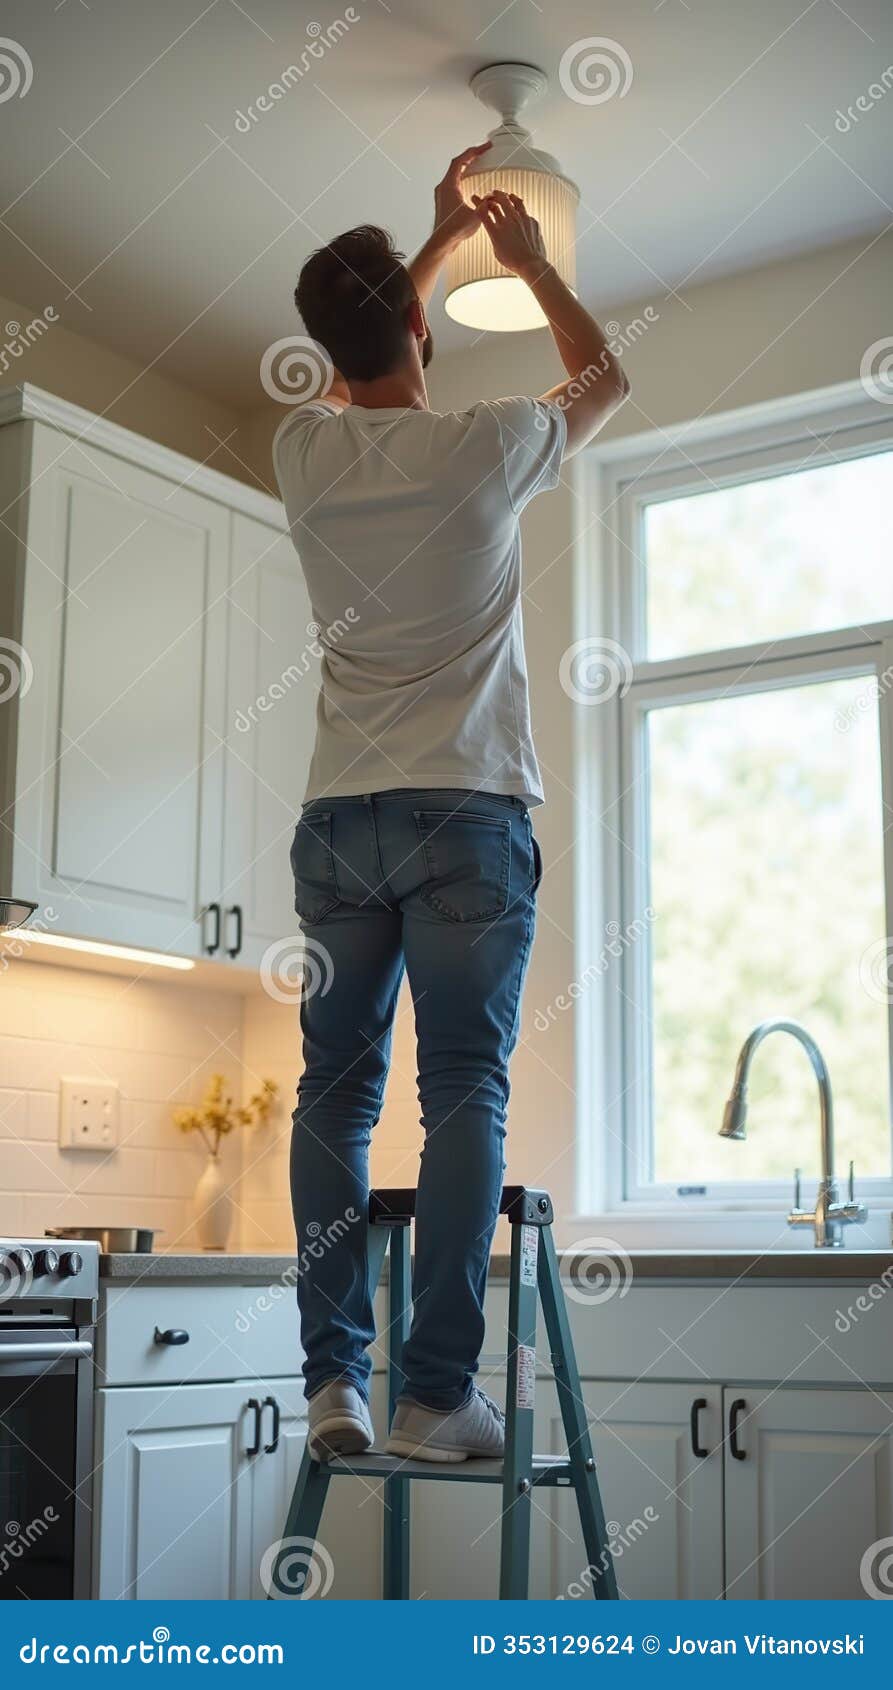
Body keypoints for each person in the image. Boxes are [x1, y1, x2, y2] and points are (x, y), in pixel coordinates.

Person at [273, 146, 629, 1464]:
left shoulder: (299, 452)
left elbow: (368, 338)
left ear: (328, 342)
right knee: (462, 1090)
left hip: (340, 820)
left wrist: (417, 251)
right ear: (423, 326)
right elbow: (603, 377)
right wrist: (526, 264)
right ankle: (436, 1396)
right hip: (468, 812)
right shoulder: (490, 443)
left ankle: (335, 1386)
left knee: (334, 1095)